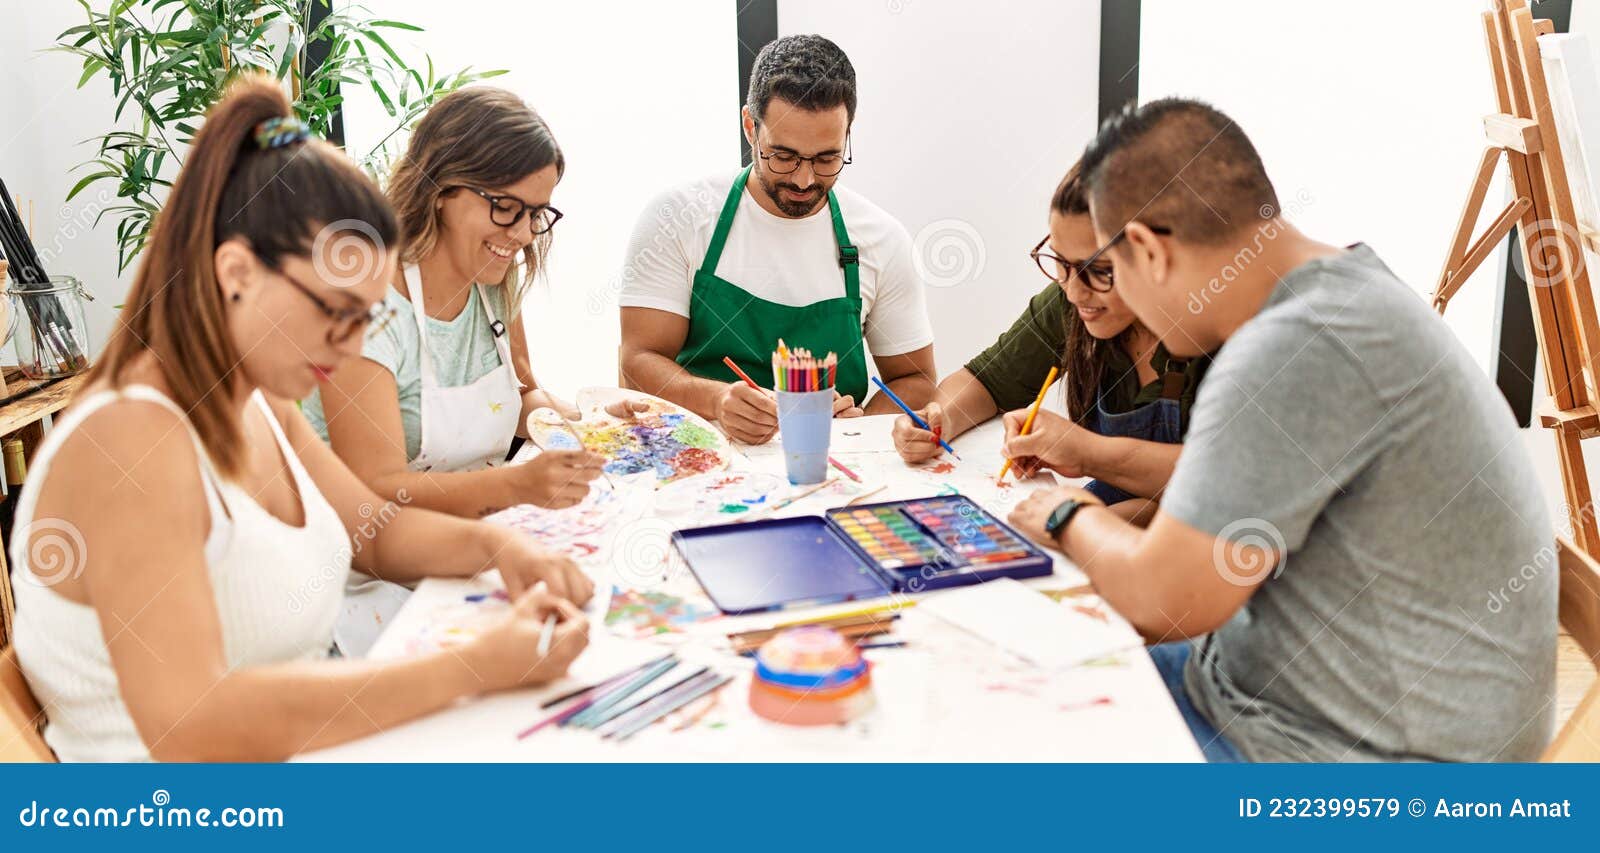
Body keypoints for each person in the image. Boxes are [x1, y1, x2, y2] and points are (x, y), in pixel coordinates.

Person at [9, 77, 591, 762]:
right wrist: (474, 667)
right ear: (236, 272)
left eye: (366, 318)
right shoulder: (133, 437)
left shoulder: (261, 404)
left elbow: (375, 533)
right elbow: (194, 726)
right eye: (333, 311)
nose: (351, 347)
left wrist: (505, 550)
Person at [1006, 98, 1555, 762]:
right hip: (1276, 694)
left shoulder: (1295, 349)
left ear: (1147, 249)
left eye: (1111, 269)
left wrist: (1068, 512)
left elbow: (1161, 597)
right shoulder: (1343, 293)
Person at [302, 88, 624, 652]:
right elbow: (376, 493)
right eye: (506, 207)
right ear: (441, 189)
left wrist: (586, 423)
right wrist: (514, 485)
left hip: (466, 546)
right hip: (364, 578)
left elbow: (520, 395)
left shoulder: (493, 284)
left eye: (536, 214)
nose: (523, 235)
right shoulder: (368, 306)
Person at [618, 34, 936, 444]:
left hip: (826, 465)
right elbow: (637, 360)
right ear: (750, 127)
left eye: (827, 158)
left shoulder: (881, 238)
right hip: (700, 458)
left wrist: (857, 427)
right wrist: (715, 400)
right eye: (783, 156)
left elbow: (917, 379)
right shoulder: (679, 218)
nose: (804, 180)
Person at [892, 161, 1207, 521]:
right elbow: (985, 381)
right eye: (1060, 261)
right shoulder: (1076, 303)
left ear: (1155, 254)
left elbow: (1217, 483)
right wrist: (939, 420)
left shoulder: (1217, 330)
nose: (1074, 291)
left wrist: (1085, 458)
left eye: (1099, 269)